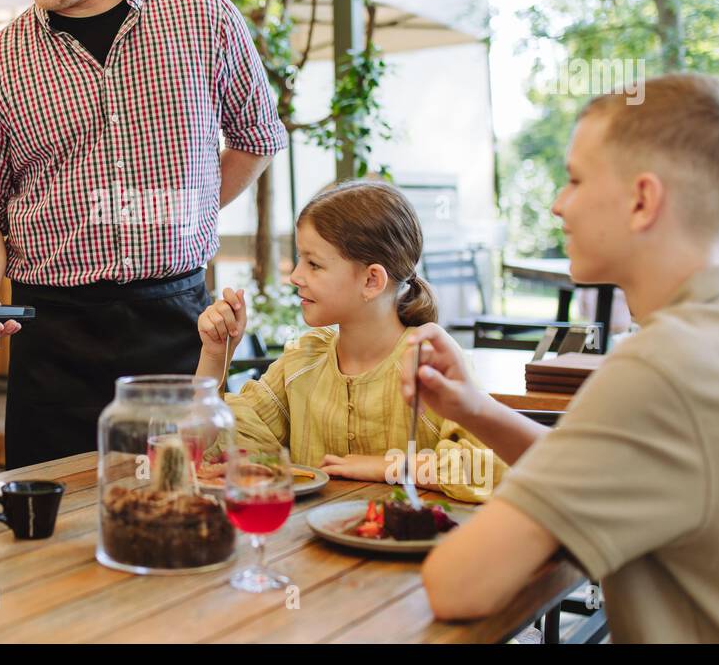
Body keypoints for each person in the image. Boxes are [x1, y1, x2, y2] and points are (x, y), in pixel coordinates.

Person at [409, 73, 719, 642]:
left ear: (642, 200)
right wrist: (474, 409)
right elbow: (615, 467)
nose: (559, 205)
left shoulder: (662, 366)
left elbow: (457, 584)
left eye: (575, 179)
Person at [0, 0, 287, 468]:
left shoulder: (202, 14)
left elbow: (257, 137)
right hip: (51, 337)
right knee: (49, 548)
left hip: (179, 327)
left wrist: (191, 207)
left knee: (183, 511)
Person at [196, 181, 505, 503]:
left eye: (314, 264)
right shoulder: (303, 360)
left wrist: (393, 466)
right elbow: (213, 452)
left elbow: (489, 469)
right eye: (300, 260)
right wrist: (215, 355)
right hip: (308, 550)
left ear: (372, 280)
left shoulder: (430, 363)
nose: (296, 276)